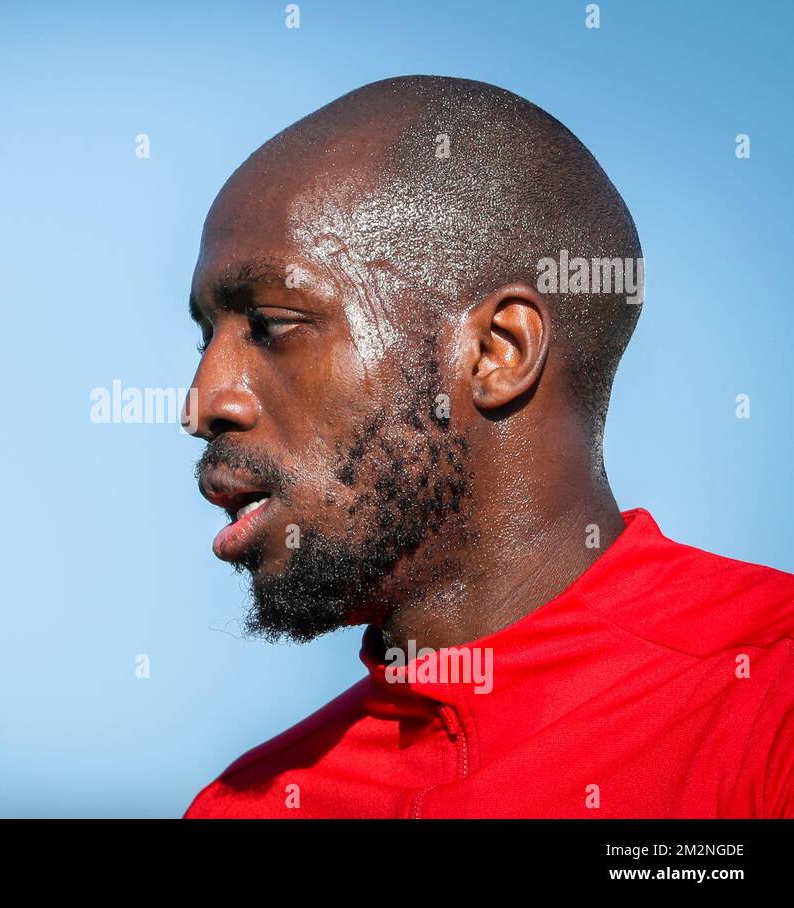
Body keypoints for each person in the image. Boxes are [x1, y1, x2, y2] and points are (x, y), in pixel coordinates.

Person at [182, 75, 794, 818]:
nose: (205, 403)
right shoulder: (242, 805)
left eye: (273, 323)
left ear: (497, 352)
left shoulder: (767, 698)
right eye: (205, 335)